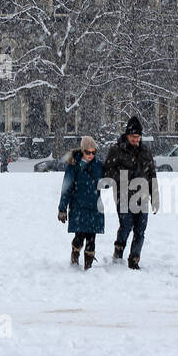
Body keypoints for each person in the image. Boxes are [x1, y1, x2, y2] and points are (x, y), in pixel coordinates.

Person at [101, 115, 159, 269]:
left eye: (138, 137)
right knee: (126, 226)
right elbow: (107, 172)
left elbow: (152, 174)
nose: (136, 140)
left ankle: (134, 259)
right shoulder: (116, 150)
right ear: (127, 135)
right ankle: (119, 250)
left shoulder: (145, 151)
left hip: (143, 196)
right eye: (133, 137)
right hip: (124, 196)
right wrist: (122, 176)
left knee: (140, 230)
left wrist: (155, 197)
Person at [58, 136, 105, 269]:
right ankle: (75, 255)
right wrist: (62, 208)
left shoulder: (98, 165)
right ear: (82, 151)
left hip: (94, 207)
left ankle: (88, 266)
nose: (91, 155)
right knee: (79, 236)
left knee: (92, 238)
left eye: (93, 152)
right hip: (78, 207)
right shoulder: (73, 166)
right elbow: (66, 188)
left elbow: (105, 184)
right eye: (88, 152)